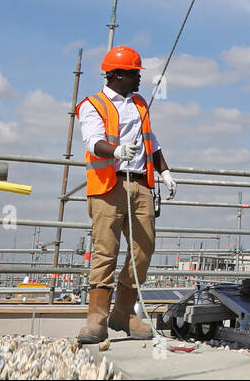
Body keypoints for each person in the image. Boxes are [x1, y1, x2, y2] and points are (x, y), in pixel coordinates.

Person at [75, 45, 177, 344]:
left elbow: (151, 142)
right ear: (117, 75)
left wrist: (165, 172)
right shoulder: (92, 104)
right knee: (106, 250)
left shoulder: (140, 103)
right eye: (134, 73)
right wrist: (117, 150)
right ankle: (96, 319)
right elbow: (93, 142)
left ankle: (123, 312)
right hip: (108, 185)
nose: (139, 79)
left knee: (143, 250)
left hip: (140, 185)